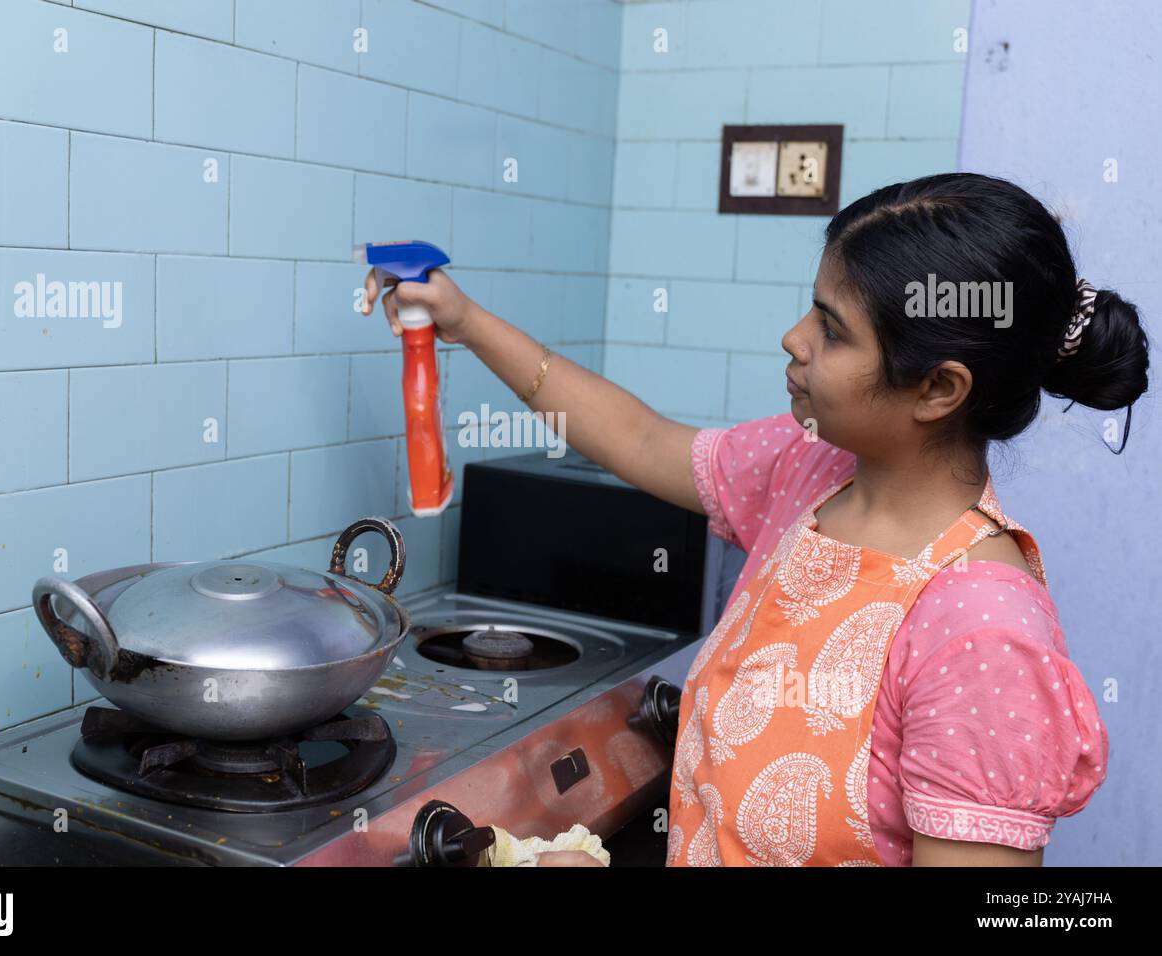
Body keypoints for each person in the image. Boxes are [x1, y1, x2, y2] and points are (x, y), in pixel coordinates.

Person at [360, 173, 1148, 867]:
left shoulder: (982, 628)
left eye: (832, 329)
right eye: (812, 309)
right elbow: (639, 438)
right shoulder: (809, 469)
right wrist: (463, 320)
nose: (794, 339)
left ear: (938, 389)